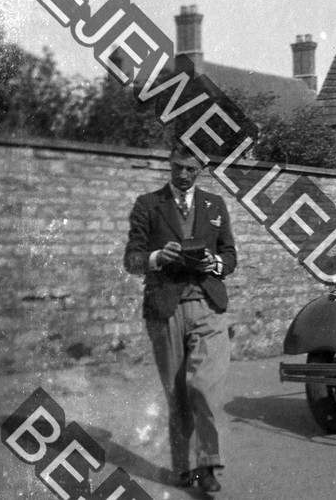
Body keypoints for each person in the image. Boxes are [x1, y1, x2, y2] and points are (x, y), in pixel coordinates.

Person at [124, 143, 237, 492]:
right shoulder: (148, 205)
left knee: (203, 386)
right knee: (177, 394)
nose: (183, 175)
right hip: (165, 308)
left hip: (207, 304)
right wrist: (159, 255)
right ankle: (183, 467)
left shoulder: (214, 205)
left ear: (201, 168)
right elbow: (132, 260)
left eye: (191, 169)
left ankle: (208, 466)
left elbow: (230, 255)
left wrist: (214, 264)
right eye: (177, 168)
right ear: (169, 165)